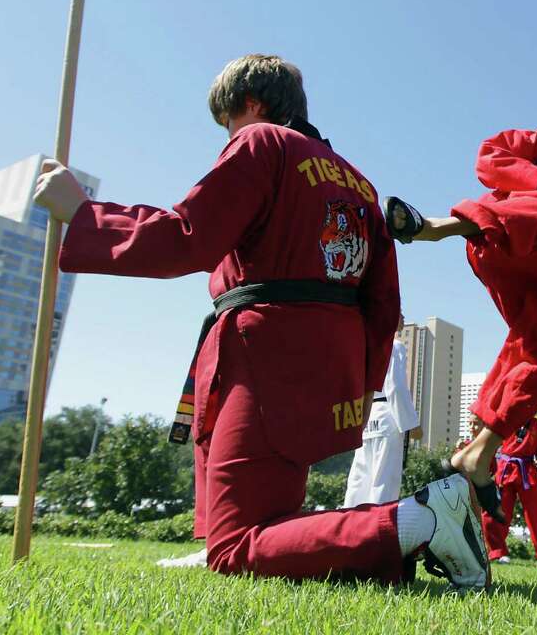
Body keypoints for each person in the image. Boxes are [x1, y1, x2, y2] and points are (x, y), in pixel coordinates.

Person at [32, 54, 489, 589]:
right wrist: (358, 387)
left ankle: (415, 519)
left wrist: (84, 214)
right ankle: (403, 541)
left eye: (227, 123)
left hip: (269, 346)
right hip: (330, 352)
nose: (225, 138)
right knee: (268, 522)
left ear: (250, 106)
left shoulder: (262, 143)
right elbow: (385, 303)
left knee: (236, 545)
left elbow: (188, 235)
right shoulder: (360, 183)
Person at [384, 58, 537, 520]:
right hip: (493, 238)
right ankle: (434, 227)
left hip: (536, 271)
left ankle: (476, 454)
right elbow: (488, 157)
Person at [344, 314, 420, 507]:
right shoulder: (394, 346)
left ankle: (349, 526)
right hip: (387, 414)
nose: (402, 317)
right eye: (399, 312)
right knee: (384, 481)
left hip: (367, 415)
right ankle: (377, 532)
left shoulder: (365, 348)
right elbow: (396, 387)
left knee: (359, 479)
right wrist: (411, 425)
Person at [483, 418, 537, 564]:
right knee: (500, 511)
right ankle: (498, 551)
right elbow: (491, 443)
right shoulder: (507, 421)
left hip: (527, 470)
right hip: (506, 468)